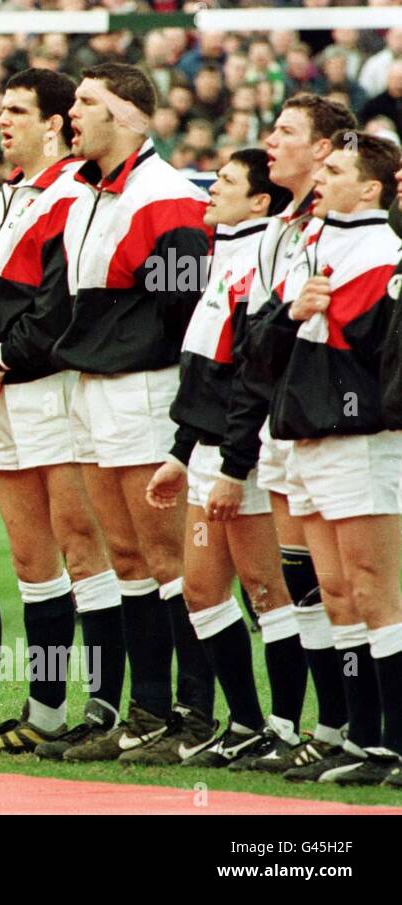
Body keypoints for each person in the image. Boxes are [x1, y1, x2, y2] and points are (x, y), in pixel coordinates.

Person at [0, 64, 216, 762]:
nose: (72, 114)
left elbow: (187, 309)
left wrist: (158, 380)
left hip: (140, 390)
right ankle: (142, 713)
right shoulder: (85, 196)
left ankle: (192, 714)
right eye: (73, 101)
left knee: (169, 558)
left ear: (131, 116)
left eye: (87, 103)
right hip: (90, 391)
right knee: (129, 558)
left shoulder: (164, 197)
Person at [0, 68, 123, 759]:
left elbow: (57, 305)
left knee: (83, 548)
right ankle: (48, 707)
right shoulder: (10, 196)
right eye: (1, 109)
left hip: (46, 386)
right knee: (30, 556)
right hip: (1, 392)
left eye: (18, 111)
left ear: (55, 124)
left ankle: (109, 707)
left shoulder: (69, 194)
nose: (3, 121)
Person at [144, 148, 305, 768]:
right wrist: (182, 451)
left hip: (247, 452)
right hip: (208, 451)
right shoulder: (222, 254)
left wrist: (235, 463)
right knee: (202, 590)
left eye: (227, 183)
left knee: (267, 589)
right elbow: (206, 372)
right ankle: (243, 722)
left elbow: (254, 374)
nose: (211, 189)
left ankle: (287, 728)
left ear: (261, 201)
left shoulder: (262, 259)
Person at [250, 132, 402, 786]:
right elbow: (255, 342)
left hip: (357, 438)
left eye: (336, 169)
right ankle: (362, 736)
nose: (322, 176)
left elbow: (380, 358)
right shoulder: (310, 242)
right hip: (302, 435)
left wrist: (326, 320)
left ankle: (394, 740)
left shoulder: (383, 253)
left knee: (374, 590)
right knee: (337, 591)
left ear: (370, 187)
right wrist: (293, 310)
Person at [217, 95, 356, 775]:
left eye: (286, 132)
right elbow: (257, 340)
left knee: (346, 585)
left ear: (326, 149)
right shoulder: (280, 227)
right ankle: (330, 727)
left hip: (332, 425)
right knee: (305, 585)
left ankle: (356, 730)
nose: (270, 141)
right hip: (280, 420)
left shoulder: (347, 225)